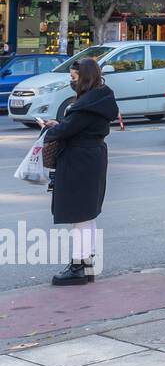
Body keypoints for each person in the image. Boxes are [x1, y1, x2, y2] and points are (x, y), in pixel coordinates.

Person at [41, 59, 118, 286]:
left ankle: (78, 267)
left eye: (73, 79)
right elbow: (74, 125)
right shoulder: (99, 99)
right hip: (91, 157)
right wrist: (60, 124)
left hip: (80, 160)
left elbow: (68, 128)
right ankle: (88, 265)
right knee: (87, 215)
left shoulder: (87, 105)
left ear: (84, 78)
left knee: (80, 216)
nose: (71, 82)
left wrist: (54, 128)